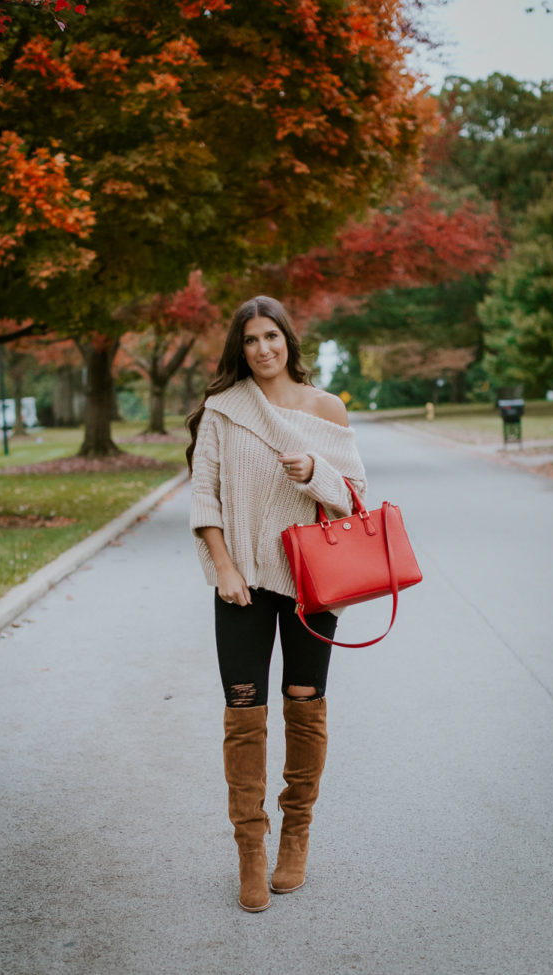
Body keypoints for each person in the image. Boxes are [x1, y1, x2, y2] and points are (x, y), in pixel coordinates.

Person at [186, 295, 367, 912]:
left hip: (312, 585)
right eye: (251, 340)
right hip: (242, 584)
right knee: (243, 710)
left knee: (304, 704)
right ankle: (250, 851)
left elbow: (355, 497)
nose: (263, 349)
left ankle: (296, 834)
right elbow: (204, 496)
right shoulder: (224, 408)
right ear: (239, 349)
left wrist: (315, 469)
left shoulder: (326, 408)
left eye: (272, 336)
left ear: (288, 340)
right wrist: (224, 568)